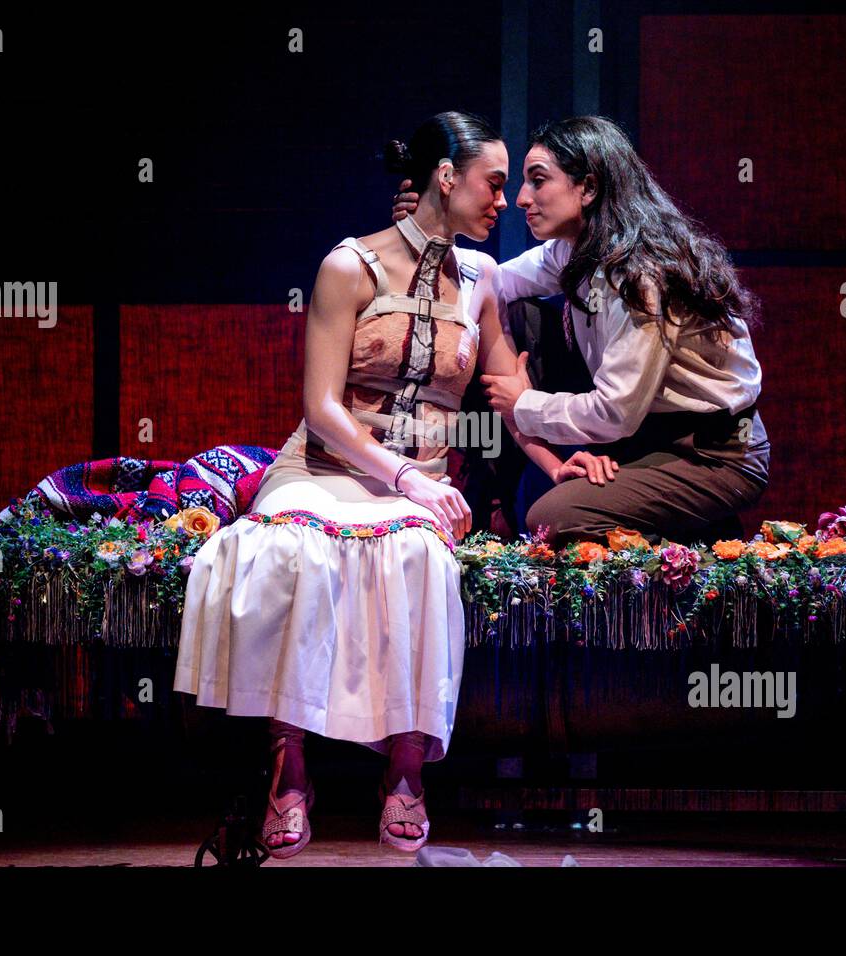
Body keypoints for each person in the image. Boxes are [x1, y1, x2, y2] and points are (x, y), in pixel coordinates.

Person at [174, 111, 570, 859]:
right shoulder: (348, 266)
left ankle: (407, 768)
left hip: (416, 483)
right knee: (287, 551)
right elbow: (320, 409)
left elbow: (508, 387)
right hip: (323, 471)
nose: (503, 200)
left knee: (420, 560)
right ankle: (288, 767)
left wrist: (554, 464)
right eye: (492, 183)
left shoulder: (483, 280)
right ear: (445, 178)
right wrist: (403, 480)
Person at [395, 115, 769, 549]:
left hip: (713, 453)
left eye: (538, 181)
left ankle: (702, 552)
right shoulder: (574, 251)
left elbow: (615, 412)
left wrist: (523, 403)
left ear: (588, 188)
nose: (519, 199)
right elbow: (486, 283)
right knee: (515, 314)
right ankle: (489, 498)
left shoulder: (642, 275)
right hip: (643, 438)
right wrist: (423, 227)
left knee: (552, 519)